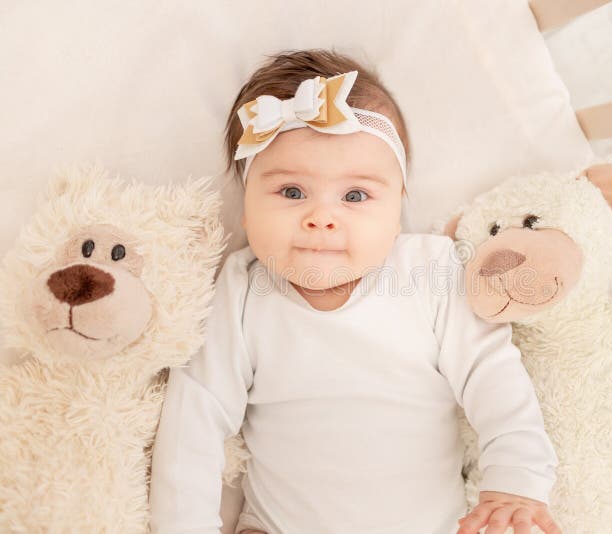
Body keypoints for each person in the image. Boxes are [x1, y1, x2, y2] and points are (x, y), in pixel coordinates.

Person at [149, 49, 561, 534]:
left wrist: (516, 479)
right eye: (292, 192)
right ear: (245, 207)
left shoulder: (431, 269)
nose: (321, 217)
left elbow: (494, 377)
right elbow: (194, 416)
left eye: (356, 196)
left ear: (397, 208)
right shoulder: (243, 288)